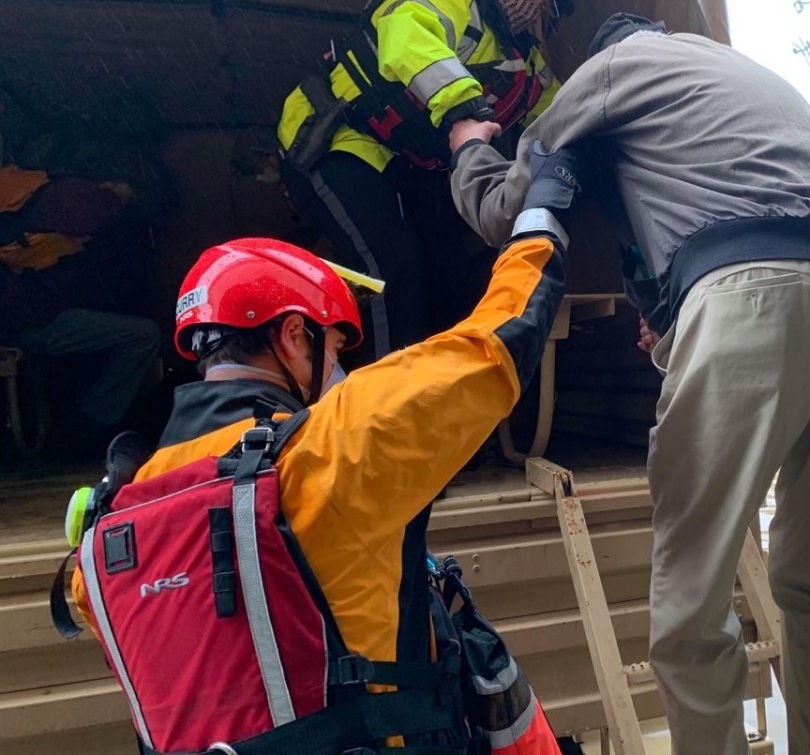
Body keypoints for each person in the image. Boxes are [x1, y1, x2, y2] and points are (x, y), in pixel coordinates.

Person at [449, 12, 810, 754]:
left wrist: (469, 149)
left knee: (692, 606)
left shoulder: (606, 75)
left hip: (760, 293)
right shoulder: (742, 75)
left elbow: (505, 211)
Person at [63, 153, 590, 755]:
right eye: (334, 347)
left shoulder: (109, 531)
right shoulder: (332, 444)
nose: (340, 369)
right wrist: (542, 215)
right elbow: (496, 341)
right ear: (292, 336)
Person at [276, 0, 572, 362]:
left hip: (403, 164)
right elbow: (407, 33)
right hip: (335, 137)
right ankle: (381, 410)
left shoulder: (525, 60)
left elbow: (560, 110)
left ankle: (445, 397)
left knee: (452, 274)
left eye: (542, 4)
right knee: (390, 267)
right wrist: (461, 108)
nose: (532, 9)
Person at [0, 164, 161, 447]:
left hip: (29, 313)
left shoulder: (21, 183)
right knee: (142, 334)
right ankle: (88, 424)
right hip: (29, 319)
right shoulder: (74, 195)